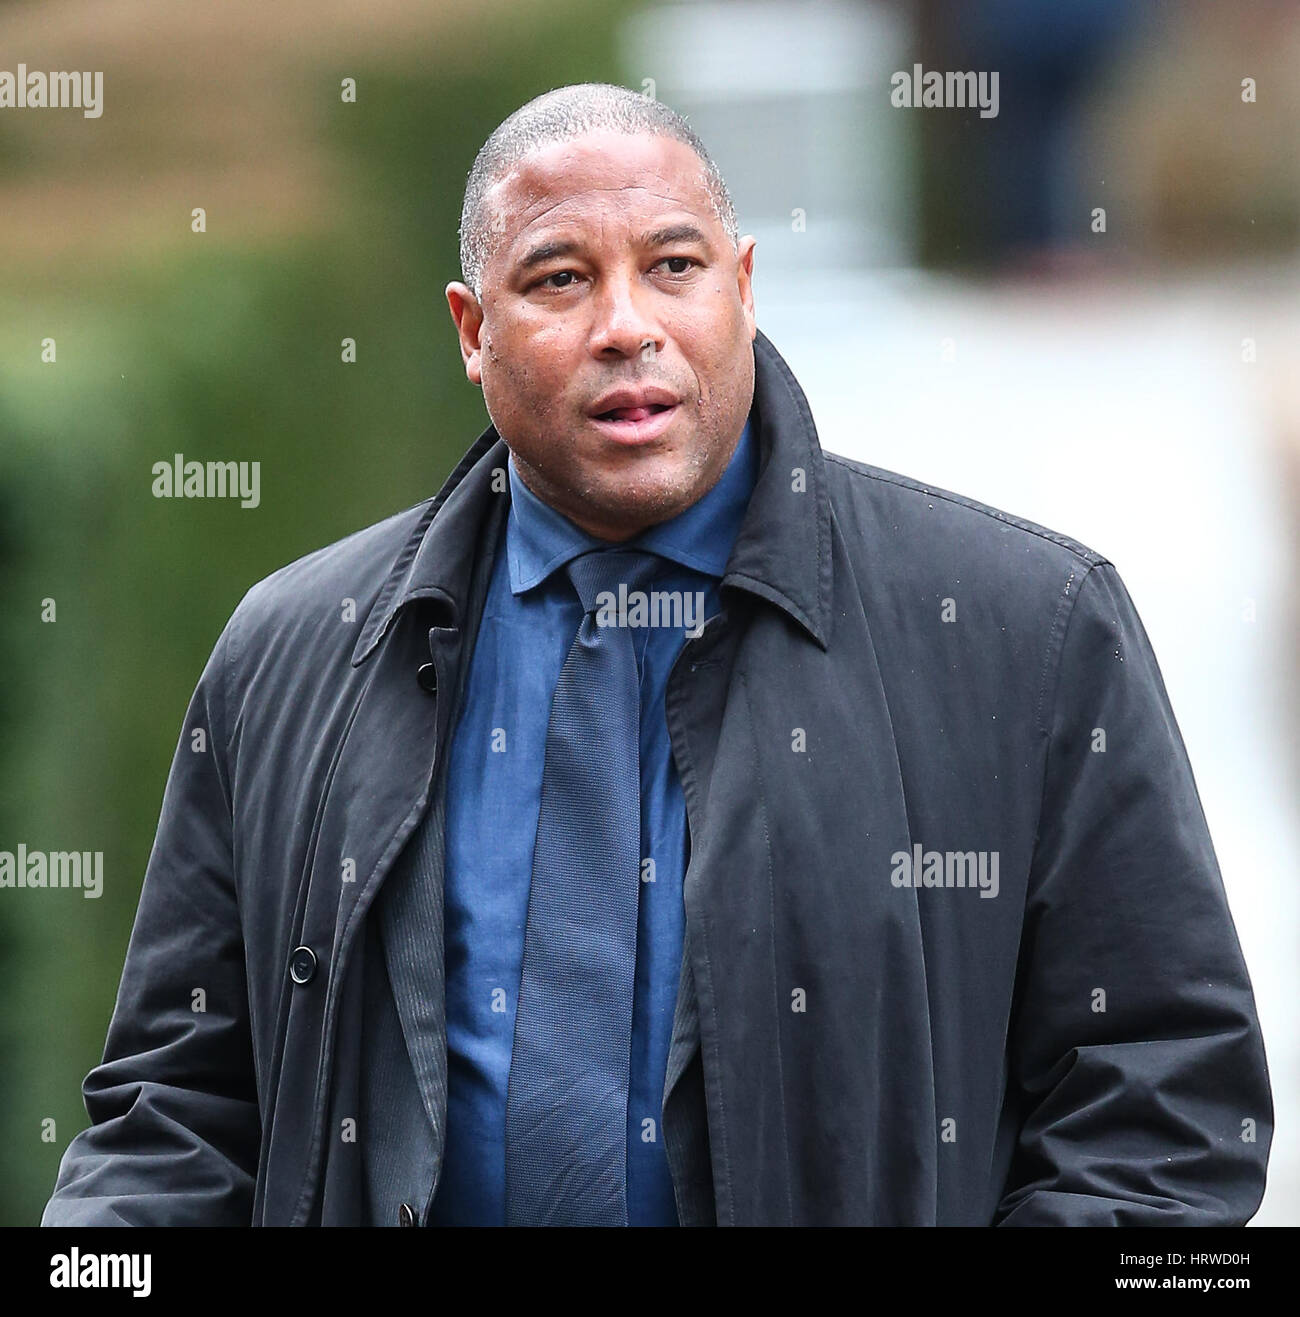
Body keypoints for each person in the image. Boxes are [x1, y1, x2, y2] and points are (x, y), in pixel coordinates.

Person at [42, 82, 1272, 1227]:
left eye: (672, 267)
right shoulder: (293, 655)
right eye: (560, 279)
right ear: (473, 332)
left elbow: (1163, 1101)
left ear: (741, 286)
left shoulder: (1028, 628)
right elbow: (175, 1111)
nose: (626, 326)